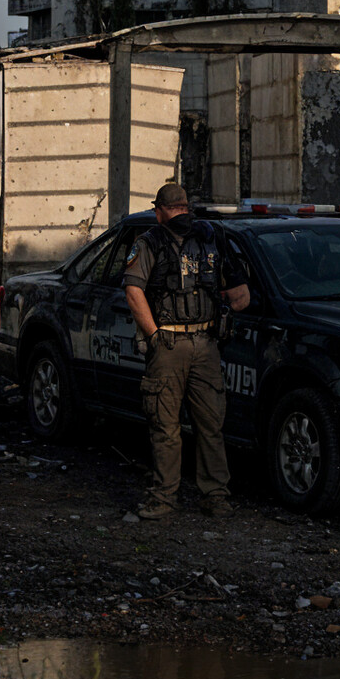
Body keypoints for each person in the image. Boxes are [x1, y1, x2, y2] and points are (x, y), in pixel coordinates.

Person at [122, 183, 250, 520]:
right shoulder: (212, 238)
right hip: (206, 345)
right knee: (211, 426)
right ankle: (216, 498)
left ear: (161, 210)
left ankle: (164, 500)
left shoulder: (149, 241)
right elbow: (241, 297)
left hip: (168, 344)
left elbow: (133, 292)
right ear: (186, 206)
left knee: (165, 427)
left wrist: (152, 335)